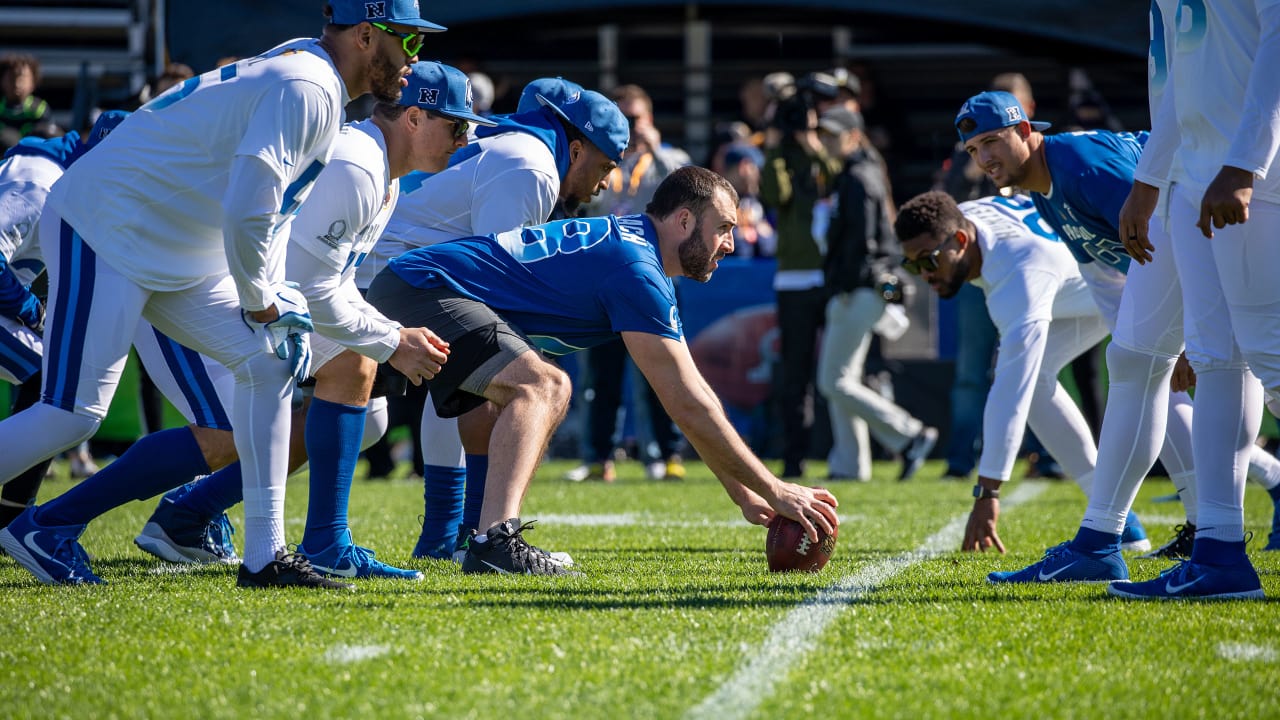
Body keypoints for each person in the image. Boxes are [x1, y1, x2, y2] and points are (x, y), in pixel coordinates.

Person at [0, 0, 447, 588]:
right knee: (72, 414)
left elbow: (268, 208)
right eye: (407, 43)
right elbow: (250, 205)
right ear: (366, 35)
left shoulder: (316, 80)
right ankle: (39, 528)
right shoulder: (311, 87)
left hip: (175, 247)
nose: (413, 61)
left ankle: (264, 556)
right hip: (108, 227)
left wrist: (273, 299)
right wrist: (263, 297)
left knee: (270, 360)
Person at [366, 166, 841, 575]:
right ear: (683, 220)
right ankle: (495, 541)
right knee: (544, 386)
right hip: (424, 287)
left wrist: (741, 491)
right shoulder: (636, 269)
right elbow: (688, 403)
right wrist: (775, 488)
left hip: (416, 283)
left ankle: (467, 537)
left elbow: (691, 395)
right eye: (723, 228)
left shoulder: (638, 254)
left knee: (355, 409)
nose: (730, 244)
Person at [952, 89, 1279, 583]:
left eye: (992, 142)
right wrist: (1144, 337)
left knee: (1251, 364)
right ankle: (1123, 537)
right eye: (974, 150)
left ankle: (1214, 518)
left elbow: (1172, 227)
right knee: (1136, 364)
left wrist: (1188, 334)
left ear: (1025, 130)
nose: (984, 159)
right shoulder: (1043, 189)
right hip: (1192, 241)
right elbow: (1103, 274)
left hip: (1231, 219)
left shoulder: (1080, 166)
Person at [357, 76, 628, 561]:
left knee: (371, 417)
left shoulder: (517, 148)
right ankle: (464, 534)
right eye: (605, 164)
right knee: (499, 378)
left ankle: (450, 534)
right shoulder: (531, 168)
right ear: (576, 147)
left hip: (382, 270)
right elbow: (495, 284)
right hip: (383, 275)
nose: (605, 183)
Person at [1107, 0, 1280, 599]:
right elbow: (1181, 77)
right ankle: (1220, 553)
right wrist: (1150, 181)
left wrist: (1244, 164)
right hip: (1194, 176)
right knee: (1216, 362)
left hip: (1255, 178)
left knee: (1273, 362)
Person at [895, 191, 1151, 550]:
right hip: (1085, 287)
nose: (924, 274)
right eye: (912, 266)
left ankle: (1224, 515)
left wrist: (988, 493)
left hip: (1128, 288)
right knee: (1037, 378)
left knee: (1168, 403)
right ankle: (1122, 521)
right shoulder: (958, 220)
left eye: (929, 261)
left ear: (962, 240)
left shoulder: (1017, 273)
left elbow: (1009, 392)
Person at [0, 111, 128, 529]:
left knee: (50, 377)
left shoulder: (55, 174)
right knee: (52, 380)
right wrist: (32, 311)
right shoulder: (38, 181)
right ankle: (14, 516)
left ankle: (14, 513)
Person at [570, 83, 691, 483]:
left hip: (651, 274)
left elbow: (691, 193)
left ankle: (666, 454)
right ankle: (598, 458)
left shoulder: (667, 158)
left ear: (651, 119)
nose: (630, 128)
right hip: (604, 277)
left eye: (635, 119)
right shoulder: (605, 158)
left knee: (660, 371)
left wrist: (654, 148)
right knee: (601, 377)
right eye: (622, 120)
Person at [816, 106, 936, 481]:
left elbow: (865, 245)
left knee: (832, 380)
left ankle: (909, 433)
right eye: (824, 134)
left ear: (854, 136)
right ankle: (850, 465)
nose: (826, 141)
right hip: (860, 286)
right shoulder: (854, 174)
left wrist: (850, 285)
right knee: (843, 379)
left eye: (834, 135)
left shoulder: (858, 178)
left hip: (860, 288)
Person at [759, 83, 844, 479]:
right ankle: (795, 455)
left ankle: (846, 452)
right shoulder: (778, 157)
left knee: (841, 372)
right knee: (795, 373)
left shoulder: (822, 155)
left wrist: (812, 144)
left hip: (829, 275)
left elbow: (839, 179)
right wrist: (777, 148)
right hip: (793, 278)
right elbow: (775, 196)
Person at [0, 54, 54, 150]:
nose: (17, 84)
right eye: (11, 78)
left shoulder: (39, 109)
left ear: (33, 81)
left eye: (23, 78)